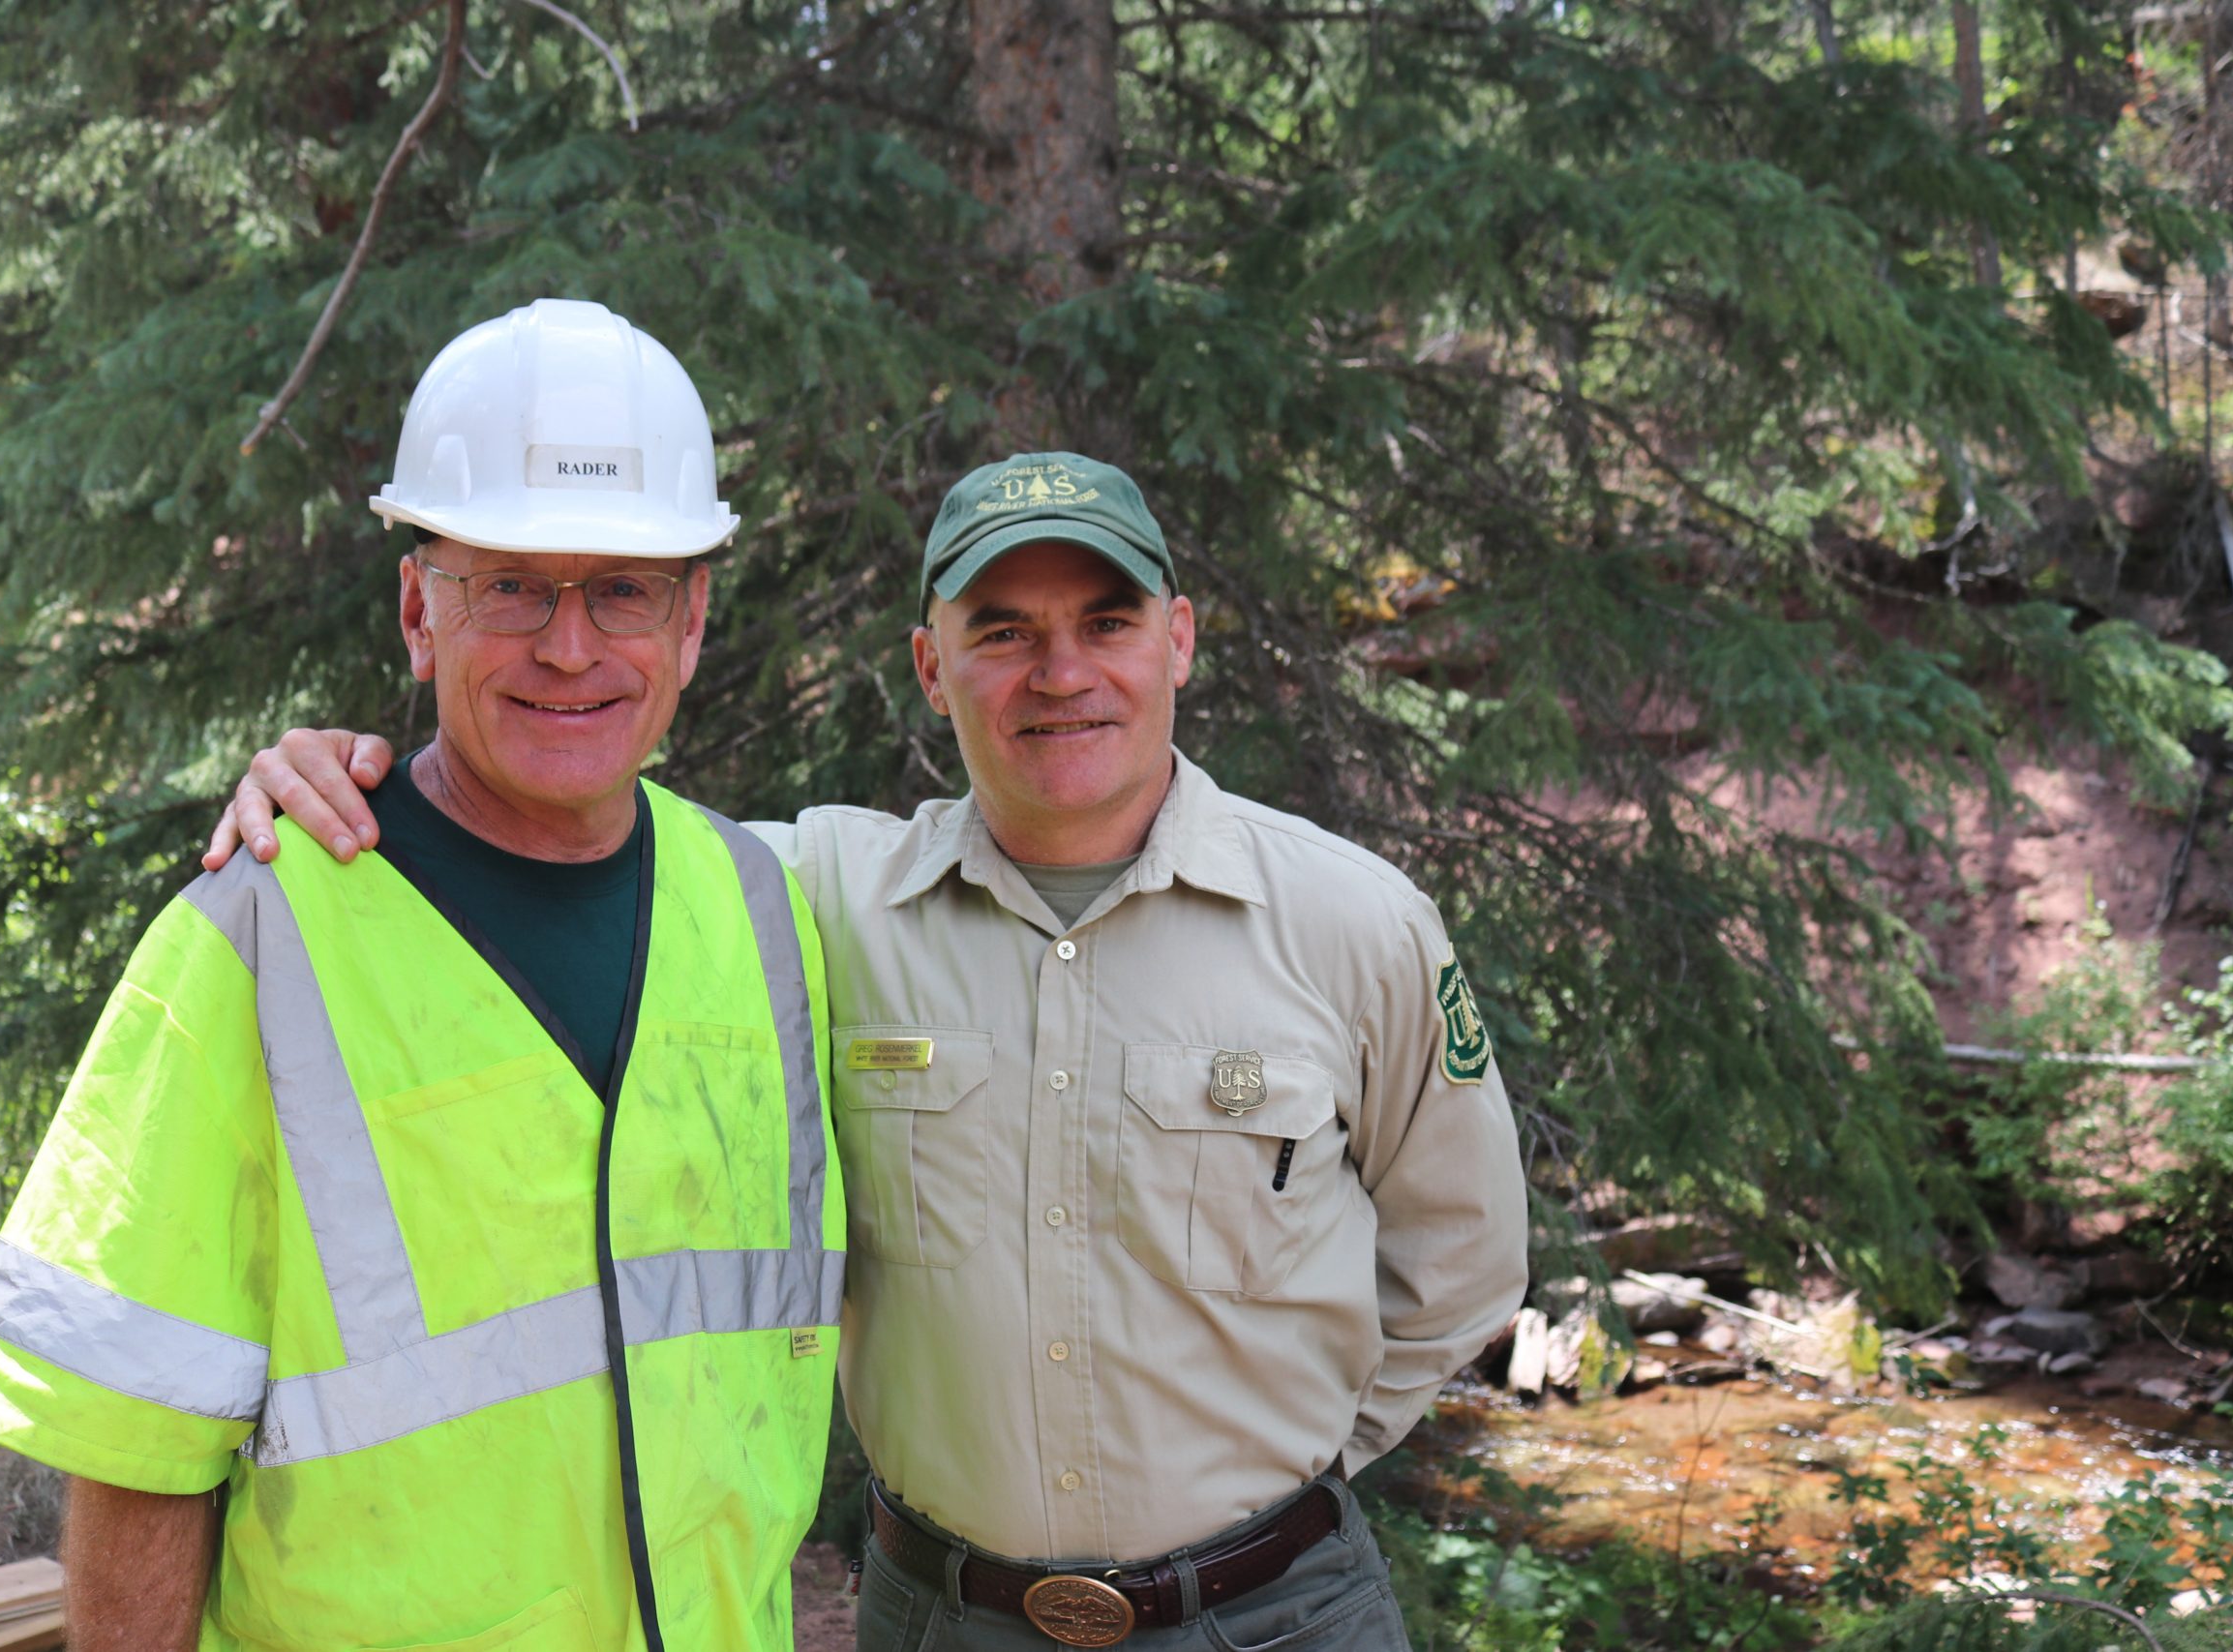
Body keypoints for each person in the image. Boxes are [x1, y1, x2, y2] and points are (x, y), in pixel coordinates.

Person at [211, 450, 1529, 1651]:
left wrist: (1273, 1492)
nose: (1060, 674)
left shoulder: (1354, 925)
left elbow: (1460, 1266)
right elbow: (566, 834)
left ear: (1178, 641)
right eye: (1001, 633)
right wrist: (346, 778)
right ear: (928, 664)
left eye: (1107, 624)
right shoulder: (802, 903)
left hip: (1279, 1617)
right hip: (941, 1622)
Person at [0, 299, 845, 1652]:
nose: (570, 647)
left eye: (624, 590)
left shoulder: (767, 909)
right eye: (510, 584)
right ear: (420, 610)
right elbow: (137, 1438)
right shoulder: (256, 931)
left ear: (695, 621)